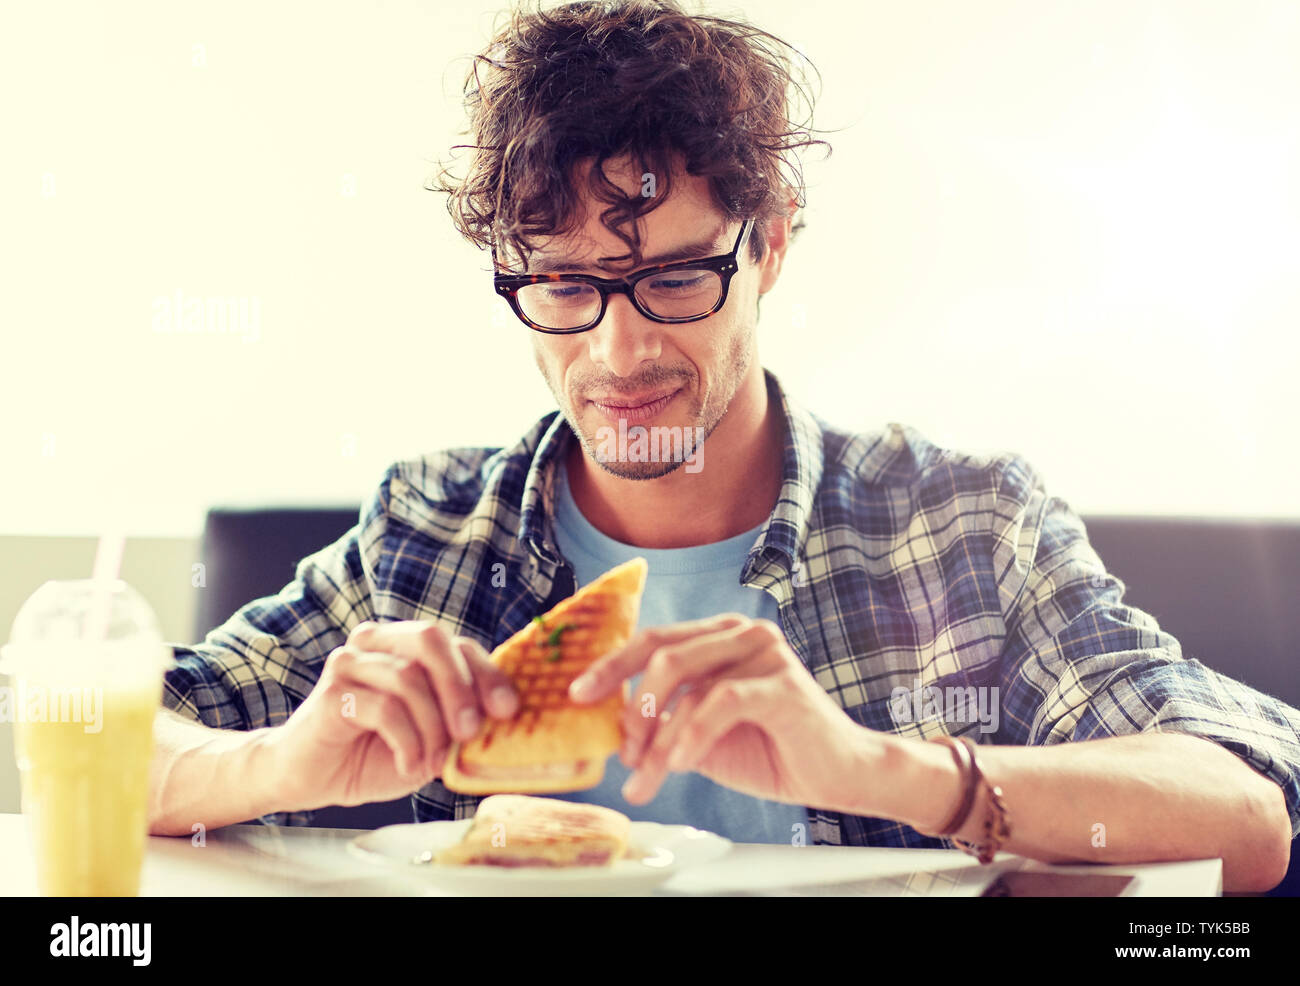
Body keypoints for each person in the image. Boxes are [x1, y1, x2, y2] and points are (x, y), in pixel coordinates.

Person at [148, 0, 1298, 892]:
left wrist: (882, 769)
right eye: (562, 285)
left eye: (675, 277)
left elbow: (1240, 813)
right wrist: (276, 764)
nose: (619, 346)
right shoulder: (432, 527)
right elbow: (120, 734)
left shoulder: (960, 523)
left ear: (772, 246)